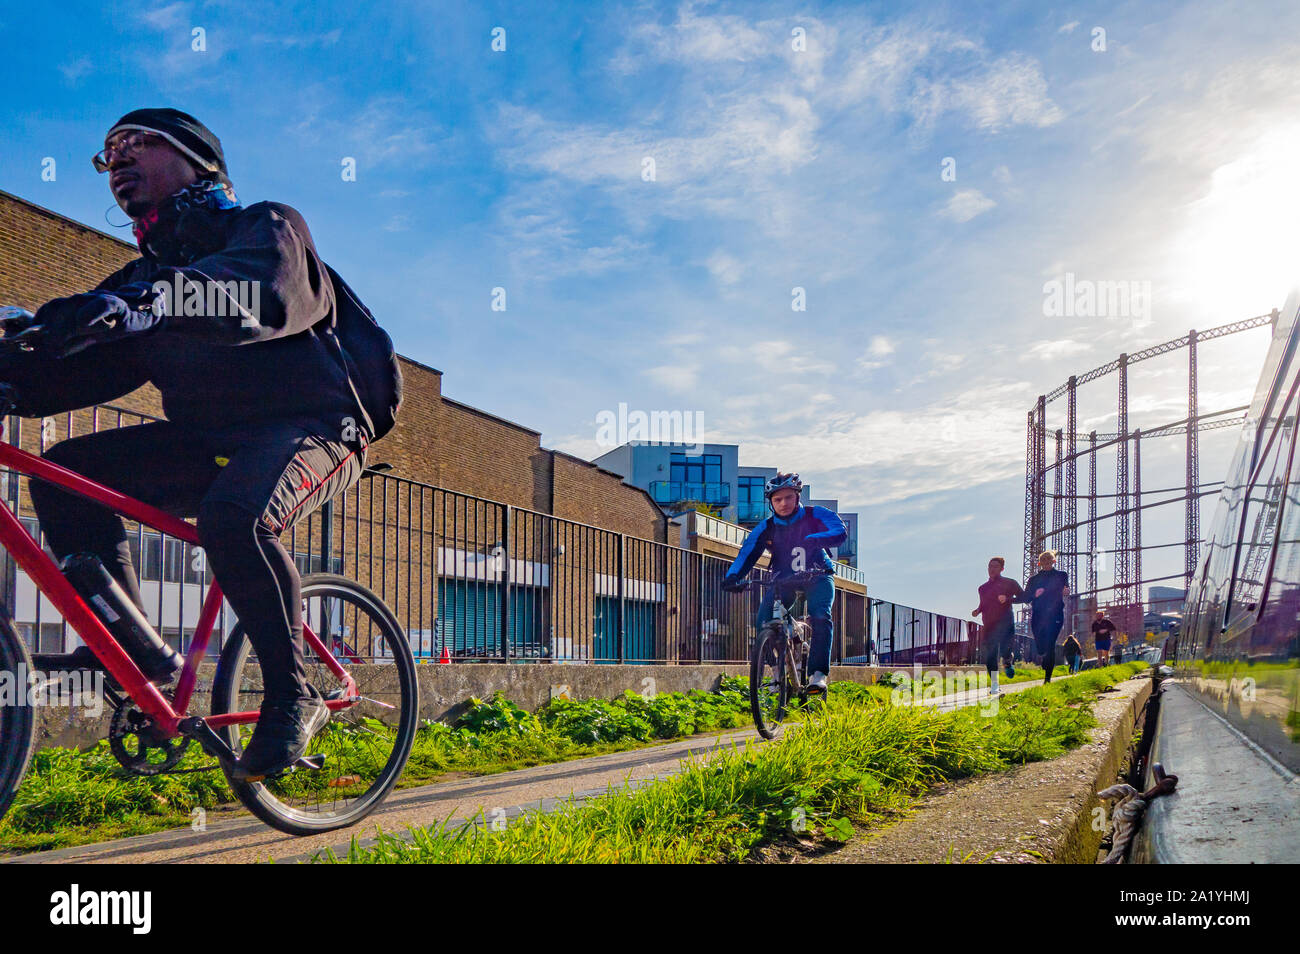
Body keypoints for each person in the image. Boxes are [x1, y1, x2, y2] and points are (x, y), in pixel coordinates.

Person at [0, 109, 374, 781]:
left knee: (237, 517)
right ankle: (132, 646)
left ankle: (295, 693)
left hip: (317, 425)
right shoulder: (138, 280)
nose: (115, 160)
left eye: (135, 144)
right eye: (106, 153)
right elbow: (79, 369)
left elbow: (257, 299)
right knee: (60, 475)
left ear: (200, 161)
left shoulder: (268, 228)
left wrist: (149, 303)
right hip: (209, 438)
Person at [722, 473, 846, 694]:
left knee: (820, 615)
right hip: (784, 578)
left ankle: (817, 676)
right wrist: (732, 578)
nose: (784, 504)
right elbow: (746, 554)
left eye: (789, 497)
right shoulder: (766, 527)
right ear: (771, 502)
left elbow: (839, 531)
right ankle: (776, 675)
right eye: (777, 500)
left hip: (818, 574)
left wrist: (817, 539)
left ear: (797, 497)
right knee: (763, 622)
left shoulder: (815, 515)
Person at [971, 556, 1023, 695]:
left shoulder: (1010, 583)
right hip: (989, 624)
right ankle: (994, 684)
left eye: (995, 566)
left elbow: (1023, 597)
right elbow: (984, 604)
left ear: (1002, 569)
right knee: (990, 655)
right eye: (990, 566)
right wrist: (978, 610)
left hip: (1006, 623)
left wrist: (1008, 599)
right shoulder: (982, 588)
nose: (992, 569)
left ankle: (1007, 660)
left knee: (1005, 649)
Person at [1023, 550, 1070, 684]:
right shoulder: (1033, 580)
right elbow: (1026, 598)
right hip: (1038, 615)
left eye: (1049, 560)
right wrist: (1034, 595)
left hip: (1055, 614)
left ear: (1054, 561)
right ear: (1039, 563)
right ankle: (1042, 654)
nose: (1047, 563)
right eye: (1044, 561)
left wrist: (1066, 591)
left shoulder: (1061, 575)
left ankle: (1047, 679)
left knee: (1050, 645)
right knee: (1040, 645)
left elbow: (1065, 588)